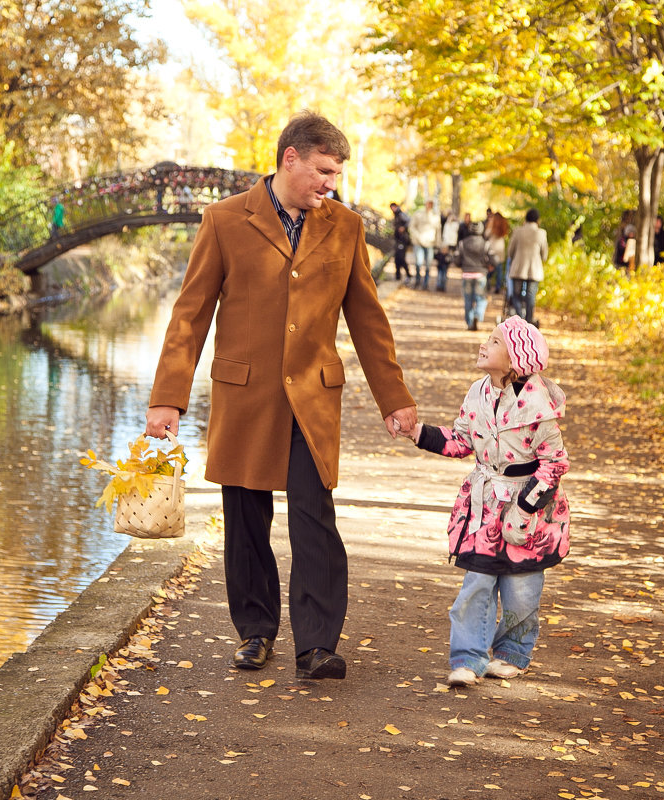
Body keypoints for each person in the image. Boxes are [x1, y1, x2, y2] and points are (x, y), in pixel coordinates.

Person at [144, 111, 418, 682]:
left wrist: (394, 397)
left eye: (336, 174)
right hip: (244, 395)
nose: (330, 184)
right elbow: (190, 313)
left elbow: (367, 318)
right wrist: (167, 397)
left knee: (314, 517)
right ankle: (255, 632)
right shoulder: (224, 220)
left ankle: (317, 645)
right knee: (246, 516)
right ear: (289, 158)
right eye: (323, 170)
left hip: (313, 397)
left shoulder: (345, 227)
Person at [397, 315, 570, 686]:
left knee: (521, 590)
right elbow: (461, 441)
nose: (483, 345)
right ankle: (467, 657)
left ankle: (512, 651)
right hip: (484, 506)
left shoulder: (539, 408)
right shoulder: (477, 392)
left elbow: (555, 463)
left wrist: (525, 509)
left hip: (529, 506)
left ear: (515, 358)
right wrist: (418, 434)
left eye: (493, 342)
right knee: (476, 583)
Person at [506, 208, 549, 325]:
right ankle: (529, 320)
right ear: (537, 220)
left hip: (518, 269)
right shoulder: (541, 233)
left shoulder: (517, 231)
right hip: (534, 270)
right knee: (530, 296)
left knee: (516, 295)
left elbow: (510, 251)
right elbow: (544, 255)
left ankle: (520, 318)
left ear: (526, 218)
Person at [456, 220, 490, 331]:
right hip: (480, 274)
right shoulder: (485, 244)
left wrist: (462, 265)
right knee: (481, 298)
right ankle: (477, 315)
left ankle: (470, 322)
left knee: (468, 299)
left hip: (467, 274)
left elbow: (456, 260)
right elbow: (494, 259)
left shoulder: (463, 243)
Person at [410, 200, 440, 290]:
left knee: (428, 265)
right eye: (428, 203)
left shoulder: (435, 216)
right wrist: (418, 237)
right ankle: (417, 281)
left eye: (431, 204)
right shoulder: (418, 214)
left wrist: (438, 244)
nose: (429, 205)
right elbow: (412, 227)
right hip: (419, 242)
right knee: (418, 263)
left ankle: (425, 284)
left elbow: (438, 231)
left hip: (430, 243)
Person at [484, 213, 511, 294]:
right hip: (500, 248)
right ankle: (498, 286)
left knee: (490, 268)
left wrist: (489, 225)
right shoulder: (503, 224)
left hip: (492, 248)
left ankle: (487, 283)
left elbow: (486, 234)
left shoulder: (492, 225)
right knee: (499, 270)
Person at [390, 202, 412, 283]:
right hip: (398, 239)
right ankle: (398, 276)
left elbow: (409, 221)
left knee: (401, 258)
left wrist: (403, 228)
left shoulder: (401, 214)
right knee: (397, 258)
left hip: (403, 240)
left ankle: (408, 274)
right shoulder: (396, 215)